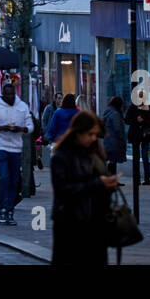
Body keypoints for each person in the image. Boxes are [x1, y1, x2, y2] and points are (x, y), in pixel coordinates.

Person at [51, 110, 121, 266]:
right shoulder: (61, 157)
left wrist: (109, 185)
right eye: (90, 134)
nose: (94, 138)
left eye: (96, 134)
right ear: (78, 132)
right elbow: (63, 190)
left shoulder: (96, 155)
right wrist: (99, 183)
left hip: (96, 222)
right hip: (70, 223)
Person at [0, 80, 32, 226]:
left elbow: (30, 126)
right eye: (7, 94)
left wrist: (21, 129)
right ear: (3, 94)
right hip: (1, 147)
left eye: (12, 94)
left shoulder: (22, 107)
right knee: (4, 177)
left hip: (16, 148)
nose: (10, 97)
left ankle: (10, 210)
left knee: (13, 180)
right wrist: (0, 128)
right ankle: (3, 209)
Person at [124, 95, 150, 183]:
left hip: (144, 134)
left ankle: (144, 178)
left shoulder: (145, 106)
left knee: (142, 156)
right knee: (138, 156)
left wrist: (142, 120)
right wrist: (136, 120)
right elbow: (127, 120)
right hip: (137, 134)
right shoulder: (134, 107)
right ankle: (139, 178)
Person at [100, 96, 127, 173]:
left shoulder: (108, 112)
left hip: (108, 140)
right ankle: (111, 180)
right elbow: (118, 128)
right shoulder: (115, 114)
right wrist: (122, 138)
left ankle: (112, 180)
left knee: (111, 161)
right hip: (114, 141)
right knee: (112, 161)